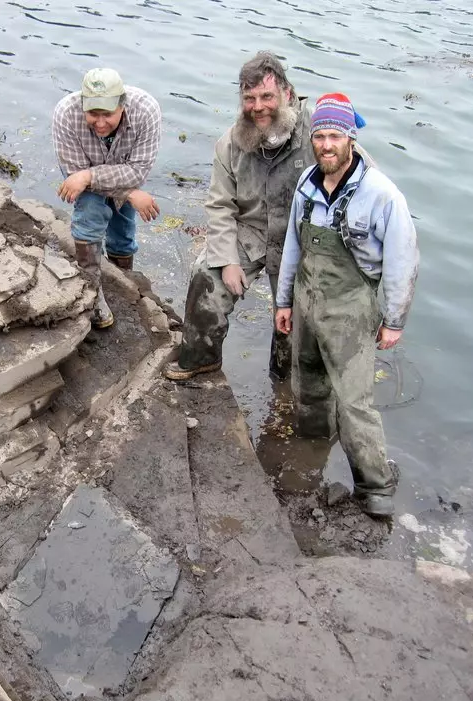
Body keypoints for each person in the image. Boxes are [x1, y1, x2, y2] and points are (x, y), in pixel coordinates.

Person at [274, 93, 419, 518]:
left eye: (335, 135)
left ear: (351, 140)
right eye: (319, 136)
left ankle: (375, 486)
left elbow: (402, 260)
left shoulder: (382, 195)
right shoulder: (306, 184)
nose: (326, 145)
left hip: (352, 310)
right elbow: (292, 248)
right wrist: (284, 300)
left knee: (355, 403)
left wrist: (394, 320)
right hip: (306, 302)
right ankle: (315, 443)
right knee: (310, 384)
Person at [163, 51, 314, 381]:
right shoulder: (229, 144)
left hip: (303, 238)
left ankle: (285, 377)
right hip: (253, 230)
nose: (257, 106)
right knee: (205, 276)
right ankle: (202, 357)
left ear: (287, 94)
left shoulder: (321, 132)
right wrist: (227, 260)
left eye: (266, 96)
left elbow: (362, 180)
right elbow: (219, 206)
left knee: (297, 325)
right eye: (249, 98)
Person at [52, 67, 162, 329]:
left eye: (108, 115)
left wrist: (93, 178)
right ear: (82, 106)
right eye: (93, 114)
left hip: (120, 173)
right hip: (90, 181)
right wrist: (130, 192)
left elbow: (137, 171)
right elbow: (75, 178)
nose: (100, 123)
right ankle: (91, 290)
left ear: (122, 106)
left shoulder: (147, 111)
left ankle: (121, 276)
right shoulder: (65, 114)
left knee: (123, 228)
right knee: (90, 212)